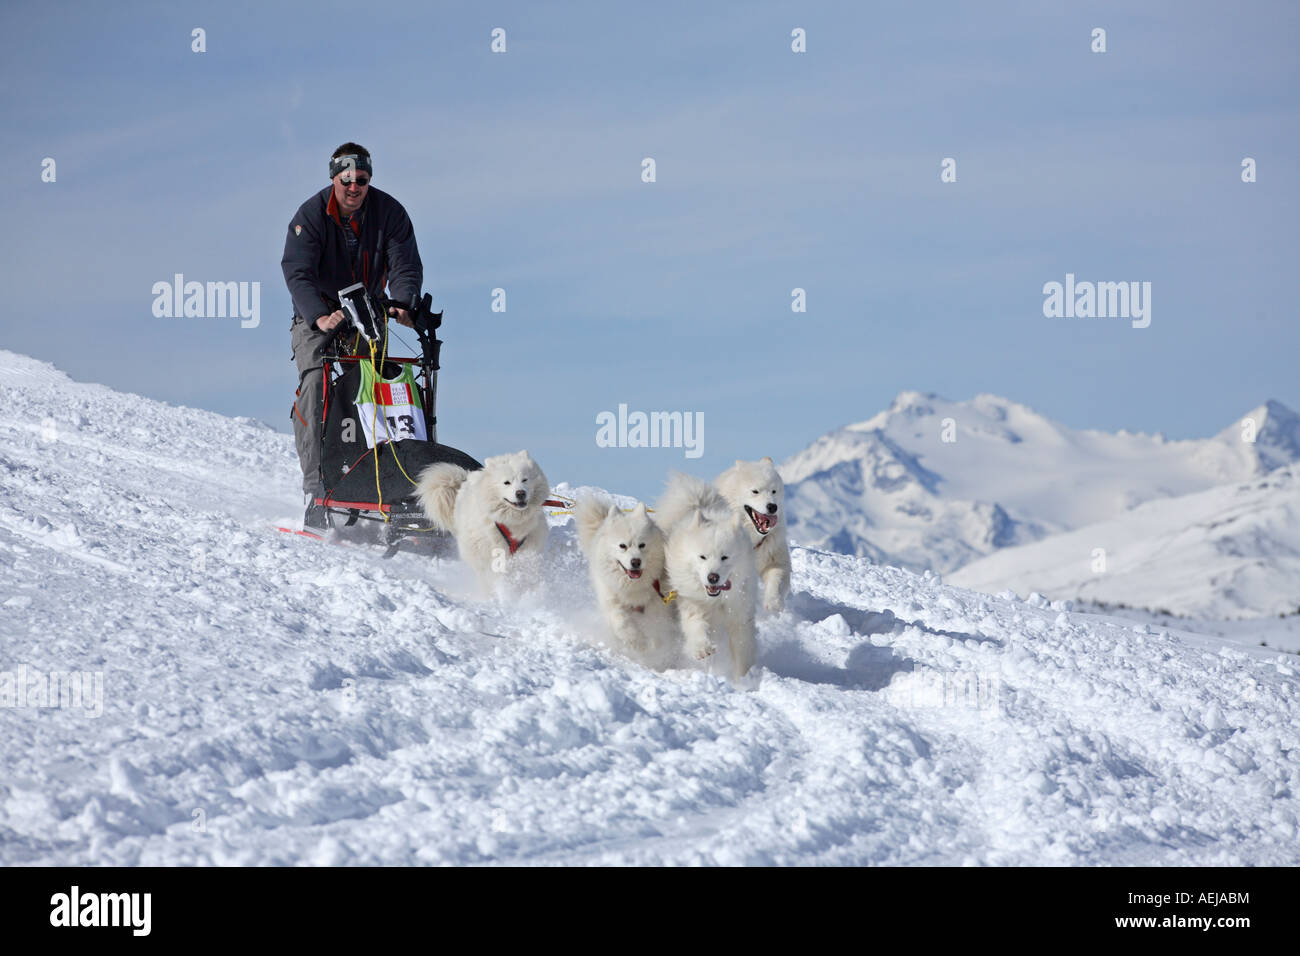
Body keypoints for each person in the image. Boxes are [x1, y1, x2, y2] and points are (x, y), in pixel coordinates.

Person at [282, 143, 424, 528]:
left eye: (362, 180)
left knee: (375, 393)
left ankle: (389, 486)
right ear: (334, 179)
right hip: (320, 315)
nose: (354, 188)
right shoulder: (310, 216)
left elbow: (405, 264)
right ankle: (317, 489)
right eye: (347, 181)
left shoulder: (390, 213)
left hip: (367, 315)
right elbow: (297, 270)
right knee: (317, 388)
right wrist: (319, 316)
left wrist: (403, 302)